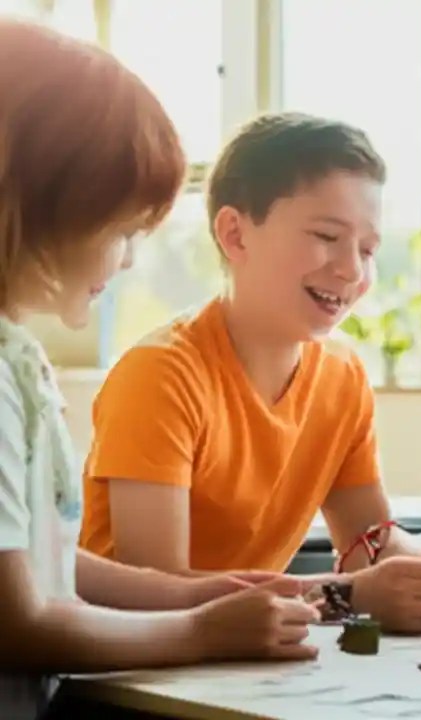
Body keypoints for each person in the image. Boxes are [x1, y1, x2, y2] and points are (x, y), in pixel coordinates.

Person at [0, 20, 319, 720]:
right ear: (38, 205)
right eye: (121, 232)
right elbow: (16, 621)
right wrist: (199, 632)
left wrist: (199, 593)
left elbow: (40, 564)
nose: (129, 262)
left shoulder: (18, 361)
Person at [77, 111, 421, 635]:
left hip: (250, 660)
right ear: (235, 234)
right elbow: (157, 589)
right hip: (132, 672)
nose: (351, 269)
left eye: (368, 249)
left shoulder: (342, 376)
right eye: (326, 235)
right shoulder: (162, 374)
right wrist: (344, 596)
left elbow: (370, 545)